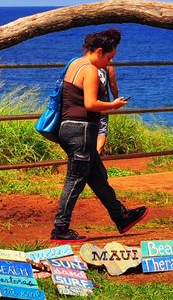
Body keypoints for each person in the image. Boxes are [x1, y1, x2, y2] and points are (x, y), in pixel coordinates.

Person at [51, 29, 148, 243]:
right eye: (109, 58)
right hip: (81, 131)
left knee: (97, 176)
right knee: (75, 179)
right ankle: (60, 228)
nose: (108, 63)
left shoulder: (74, 63)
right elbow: (91, 104)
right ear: (100, 51)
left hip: (69, 128)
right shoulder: (91, 71)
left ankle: (121, 216)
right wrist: (113, 105)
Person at [96, 64, 119, 155]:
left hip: (87, 103)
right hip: (103, 104)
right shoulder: (108, 62)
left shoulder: (87, 59)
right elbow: (112, 84)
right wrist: (116, 99)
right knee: (101, 131)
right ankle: (97, 155)